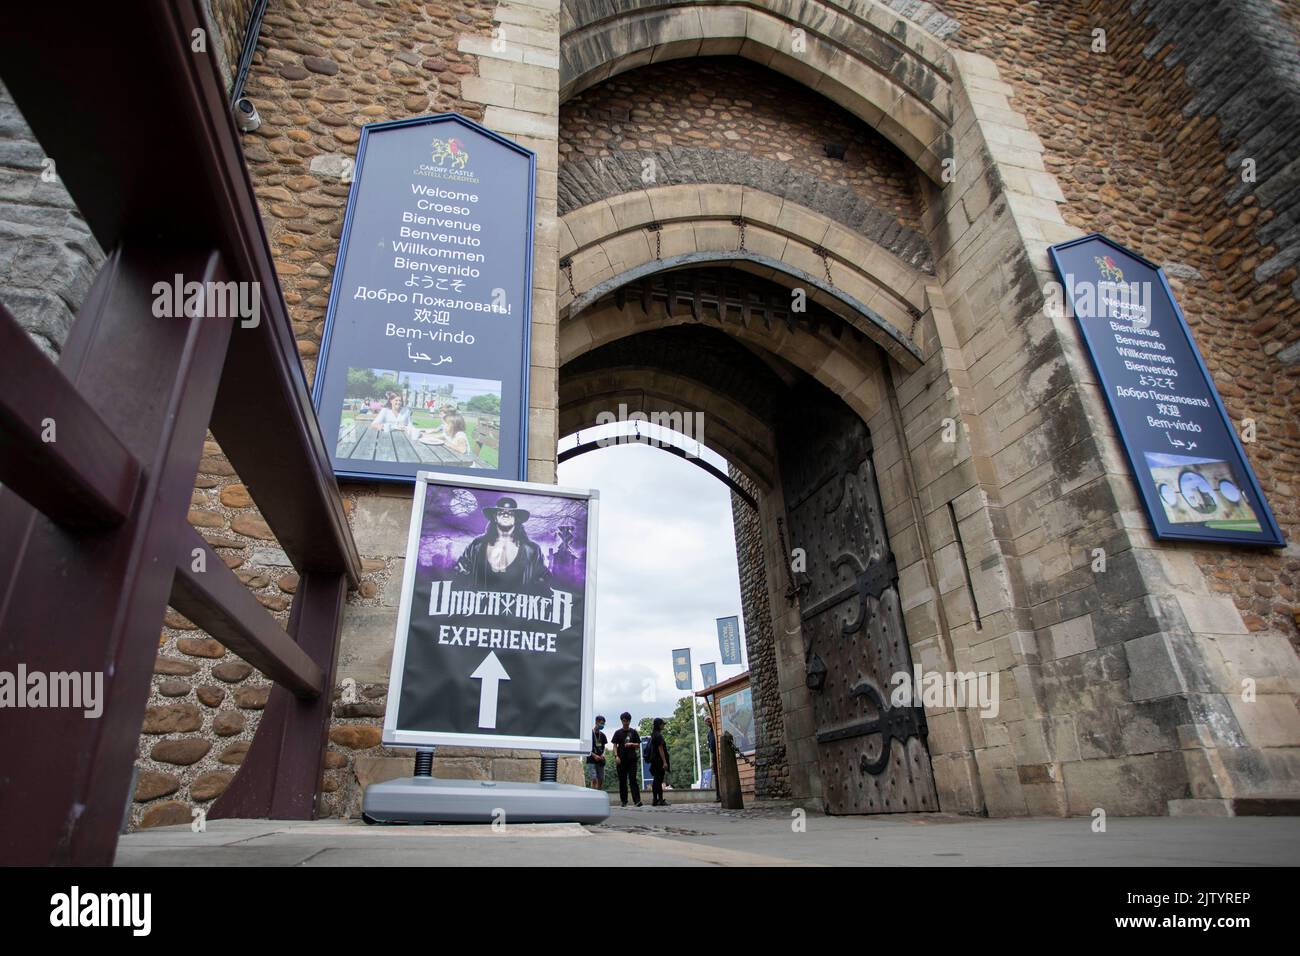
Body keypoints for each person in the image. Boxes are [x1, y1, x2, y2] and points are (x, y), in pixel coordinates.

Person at [454, 496, 551, 591]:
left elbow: (542, 579)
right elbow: (461, 572)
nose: (505, 515)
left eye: (510, 513)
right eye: (501, 512)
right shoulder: (477, 545)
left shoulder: (531, 550)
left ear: (516, 518)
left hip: (518, 606)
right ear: (495, 517)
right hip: (481, 605)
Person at [610, 712, 642, 807]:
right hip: (621, 760)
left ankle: (637, 800)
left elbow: (638, 745)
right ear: (621, 721)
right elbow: (615, 745)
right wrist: (616, 756)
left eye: (627, 721)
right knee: (622, 781)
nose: (626, 723)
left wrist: (632, 744)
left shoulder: (633, 732)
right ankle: (624, 801)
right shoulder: (618, 732)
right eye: (624, 721)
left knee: (633, 780)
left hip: (632, 759)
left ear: (630, 721)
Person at [649, 717, 670, 806]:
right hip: (659, 761)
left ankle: (655, 799)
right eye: (662, 724)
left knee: (656, 780)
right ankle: (660, 799)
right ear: (659, 725)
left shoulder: (653, 734)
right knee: (658, 780)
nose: (663, 725)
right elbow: (660, 748)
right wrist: (664, 762)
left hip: (654, 760)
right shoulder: (658, 735)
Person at [586, 715, 608, 790]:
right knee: (594, 778)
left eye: (603, 724)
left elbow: (604, 748)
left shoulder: (603, 735)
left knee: (601, 778)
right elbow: (586, 748)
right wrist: (594, 755)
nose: (602, 725)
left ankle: (599, 792)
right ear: (596, 722)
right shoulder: (589, 734)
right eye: (601, 723)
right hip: (591, 759)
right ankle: (593, 794)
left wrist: (602, 755)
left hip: (600, 760)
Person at [704, 714, 717, 794]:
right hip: (714, 755)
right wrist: (711, 760)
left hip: (719, 753)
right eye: (706, 720)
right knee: (716, 774)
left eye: (708, 719)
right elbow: (710, 748)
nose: (708, 721)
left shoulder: (716, 729)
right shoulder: (709, 734)